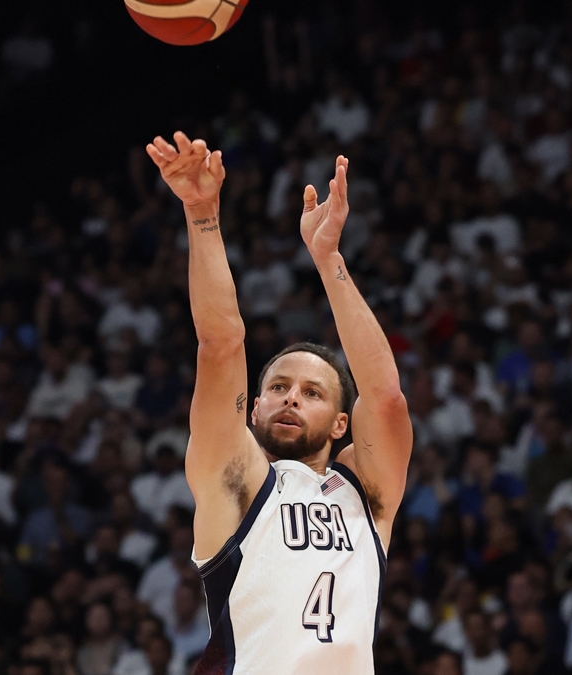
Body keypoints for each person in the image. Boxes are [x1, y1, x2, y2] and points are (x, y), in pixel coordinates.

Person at [144, 133, 412, 673]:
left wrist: (330, 259)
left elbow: (383, 397)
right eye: (278, 387)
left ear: (341, 424)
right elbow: (221, 345)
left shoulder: (366, 490)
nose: (291, 397)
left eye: (312, 393)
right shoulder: (237, 480)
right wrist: (202, 215)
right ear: (253, 411)